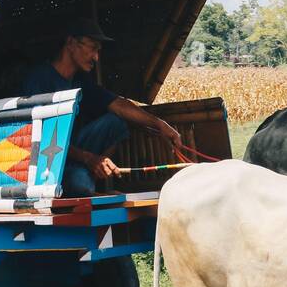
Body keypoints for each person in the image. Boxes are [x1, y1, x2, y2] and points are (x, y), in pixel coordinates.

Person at [20, 17, 182, 196]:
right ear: (71, 43)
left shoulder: (82, 82)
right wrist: (90, 159)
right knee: (82, 186)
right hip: (48, 163)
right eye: (92, 48)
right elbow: (40, 137)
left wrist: (159, 124)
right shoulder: (38, 80)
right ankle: (87, 185)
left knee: (116, 122)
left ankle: (93, 179)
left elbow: (119, 105)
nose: (96, 57)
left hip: (76, 156)